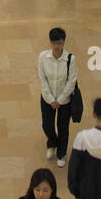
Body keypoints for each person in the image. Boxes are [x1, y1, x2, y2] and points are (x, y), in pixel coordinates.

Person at [38, 28, 78, 168]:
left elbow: (71, 81)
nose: (56, 46)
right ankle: (52, 142)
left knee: (63, 128)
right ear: (50, 42)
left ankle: (61, 153)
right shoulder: (43, 57)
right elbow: (42, 78)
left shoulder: (70, 60)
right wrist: (50, 99)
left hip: (64, 101)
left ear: (64, 42)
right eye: (54, 43)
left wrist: (59, 100)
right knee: (47, 125)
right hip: (47, 98)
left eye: (59, 43)